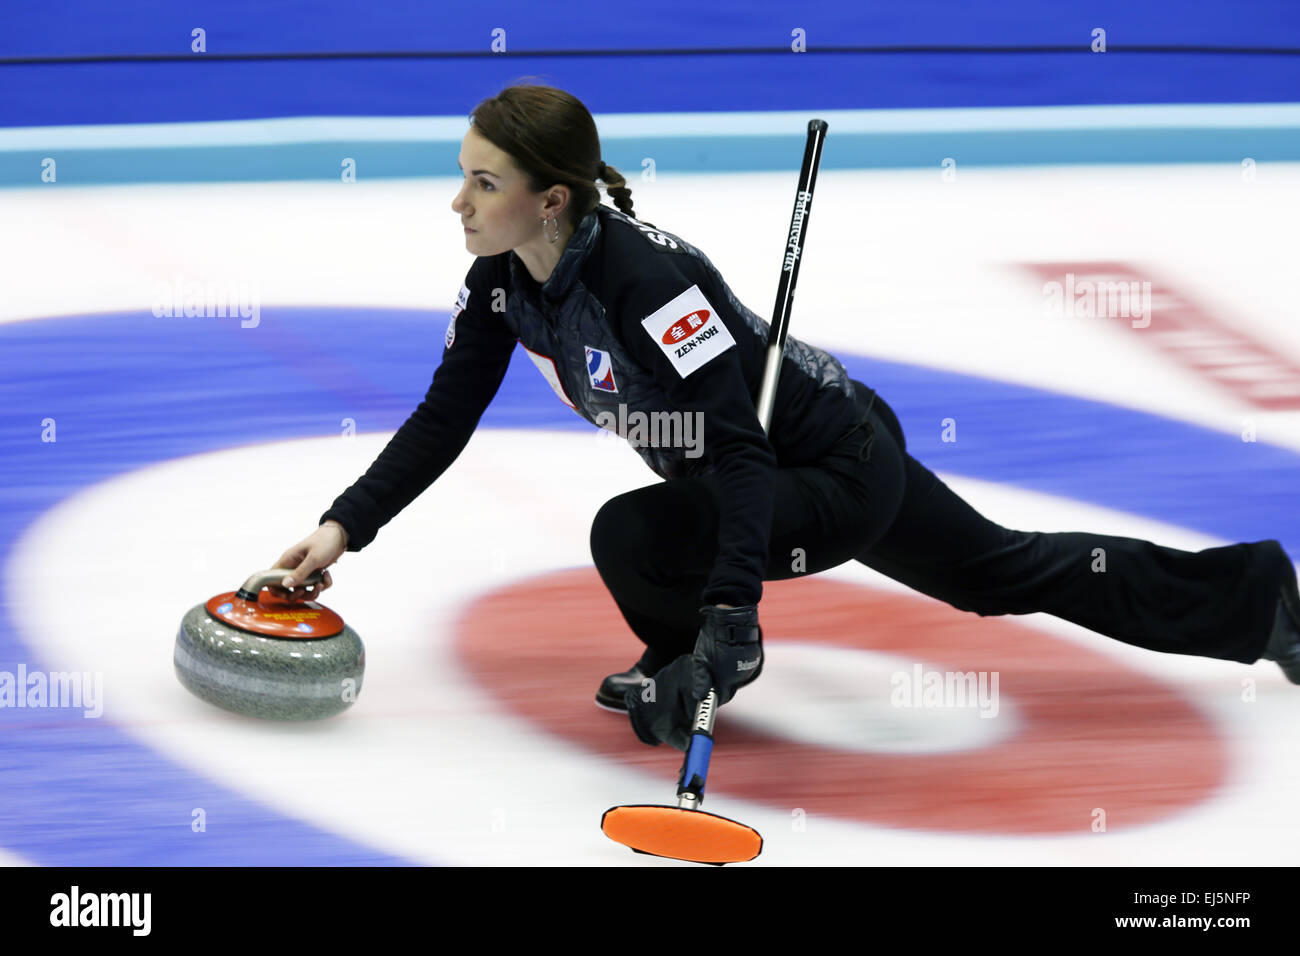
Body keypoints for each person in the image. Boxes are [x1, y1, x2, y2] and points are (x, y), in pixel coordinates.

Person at [271, 80, 1300, 752]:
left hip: (828, 464)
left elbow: (741, 451)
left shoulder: (647, 282)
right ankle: (1256, 596)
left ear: (552, 199)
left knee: (630, 533)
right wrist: (342, 526)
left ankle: (693, 663)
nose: (459, 201)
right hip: (780, 452)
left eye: (483, 182)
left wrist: (732, 613)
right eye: (462, 175)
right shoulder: (505, 280)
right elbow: (444, 414)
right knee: (997, 570)